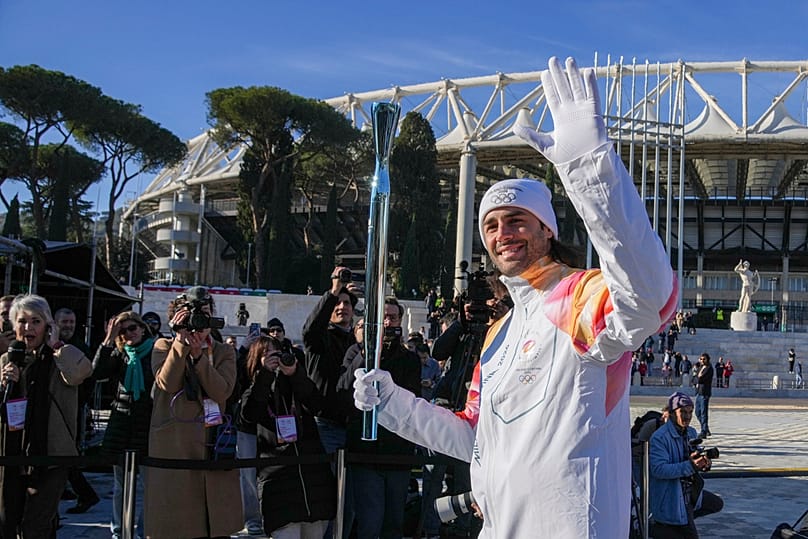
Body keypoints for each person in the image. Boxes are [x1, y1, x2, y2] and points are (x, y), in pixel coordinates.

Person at [352, 57, 676, 538]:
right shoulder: (499, 333)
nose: (503, 234)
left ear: (546, 228)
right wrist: (393, 404)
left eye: (517, 220)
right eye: (491, 225)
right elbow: (474, 436)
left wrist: (589, 168)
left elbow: (650, 297)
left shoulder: (576, 296)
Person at [144, 286, 242, 538]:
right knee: (176, 524)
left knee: (212, 525)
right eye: (189, 316)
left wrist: (199, 357)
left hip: (212, 446)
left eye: (204, 314)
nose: (197, 322)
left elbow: (222, 392)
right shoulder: (162, 346)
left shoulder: (223, 351)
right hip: (174, 448)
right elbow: (166, 383)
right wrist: (181, 343)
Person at [0, 294, 93, 538]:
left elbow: (81, 372)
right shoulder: (6, 360)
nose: (27, 328)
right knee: (9, 521)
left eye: (36, 321)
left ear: (48, 326)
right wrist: (6, 383)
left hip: (50, 455)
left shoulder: (60, 357)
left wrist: (56, 345)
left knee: (36, 526)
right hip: (11, 454)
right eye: (21, 321)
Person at [240, 335, 336, 538]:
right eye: (265, 355)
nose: (273, 359)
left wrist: (295, 374)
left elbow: (317, 405)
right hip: (278, 482)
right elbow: (249, 414)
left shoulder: (296, 383)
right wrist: (265, 375)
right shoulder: (254, 388)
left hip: (313, 479)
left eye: (276, 353)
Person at [346, 297, 421, 539]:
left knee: (393, 524)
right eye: (383, 318)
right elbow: (343, 389)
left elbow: (411, 397)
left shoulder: (409, 359)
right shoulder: (355, 352)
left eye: (393, 318)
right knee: (369, 522)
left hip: (397, 452)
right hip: (366, 453)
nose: (388, 323)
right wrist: (366, 351)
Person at [92, 310, 155, 539]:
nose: (129, 334)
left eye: (132, 328)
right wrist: (108, 340)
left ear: (141, 328)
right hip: (122, 421)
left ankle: (144, 530)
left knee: (150, 485)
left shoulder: (155, 350)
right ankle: (119, 530)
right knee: (120, 485)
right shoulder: (120, 353)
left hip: (147, 422)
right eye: (123, 330)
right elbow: (97, 372)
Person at [649, 392, 723, 538]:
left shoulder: (691, 432)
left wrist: (703, 464)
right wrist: (690, 466)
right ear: (671, 413)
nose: (687, 416)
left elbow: (694, 458)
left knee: (716, 503)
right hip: (672, 495)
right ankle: (666, 524)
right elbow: (658, 470)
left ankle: (673, 525)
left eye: (689, 412)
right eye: (682, 412)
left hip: (690, 492)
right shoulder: (660, 437)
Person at [302, 266, 359, 455]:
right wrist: (333, 291)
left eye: (347, 303)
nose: (343, 307)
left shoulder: (357, 342)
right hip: (324, 423)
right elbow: (311, 330)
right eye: (337, 304)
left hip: (353, 423)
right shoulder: (321, 338)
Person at [53, 307, 100, 515]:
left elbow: (88, 377)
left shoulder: (78, 347)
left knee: (66, 452)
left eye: (71, 322)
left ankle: (85, 493)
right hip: (54, 407)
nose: (68, 326)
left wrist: (79, 403)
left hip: (72, 408)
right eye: (64, 322)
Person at [694, 354, 714, 438]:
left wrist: (698, 377)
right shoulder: (700, 368)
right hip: (698, 392)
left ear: (707, 360)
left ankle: (704, 431)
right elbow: (694, 379)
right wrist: (697, 377)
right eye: (701, 359)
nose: (702, 361)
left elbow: (701, 379)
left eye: (704, 359)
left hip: (704, 393)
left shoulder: (709, 369)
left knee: (703, 413)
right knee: (697, 412)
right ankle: (705, 428)